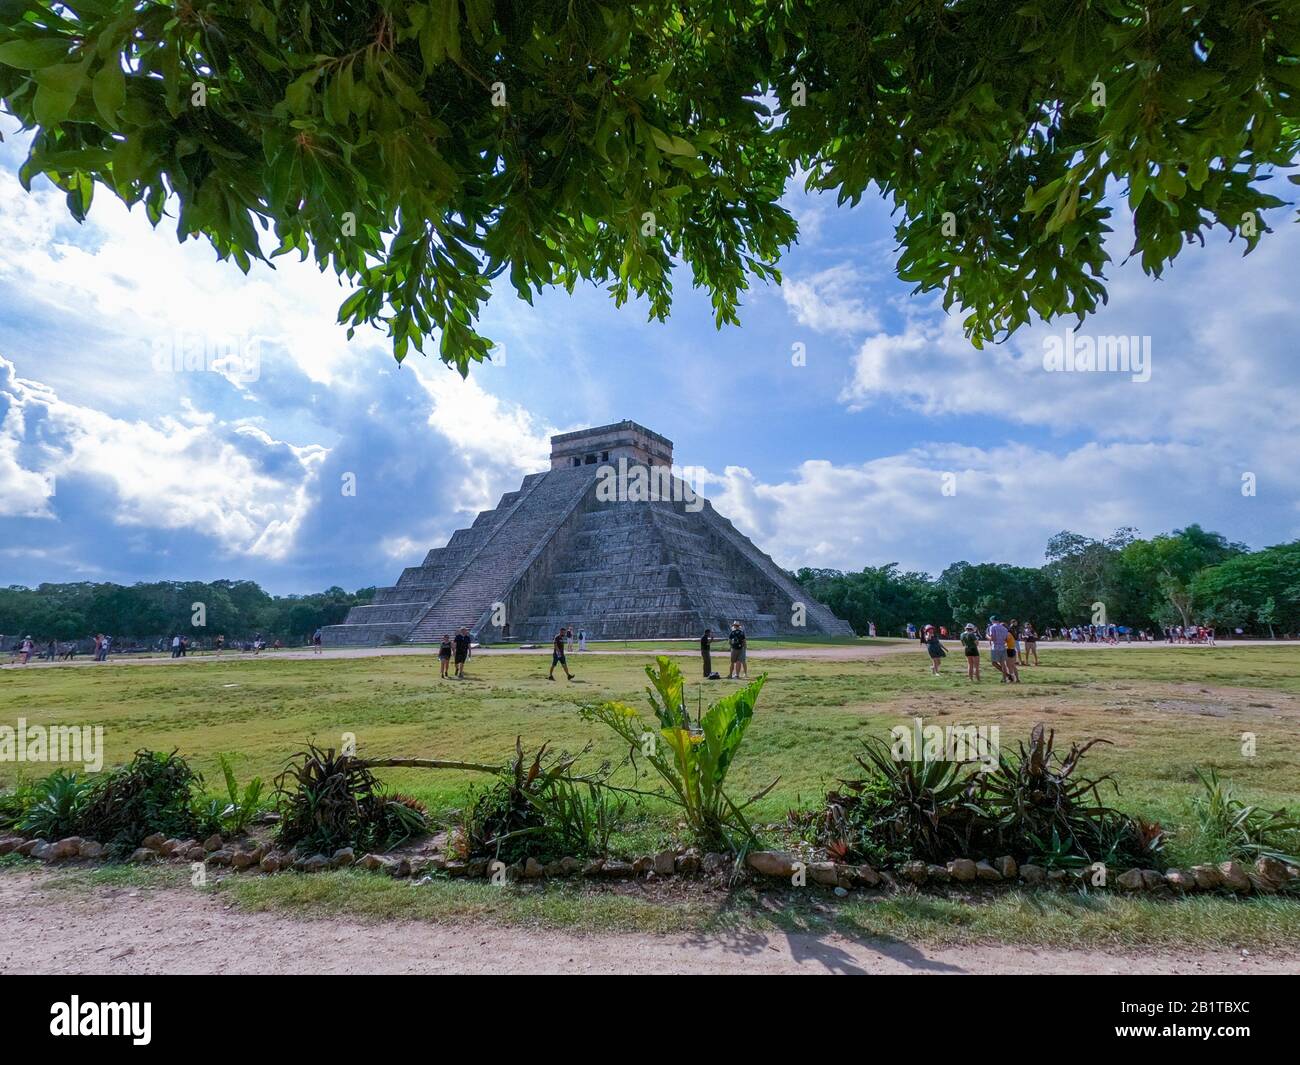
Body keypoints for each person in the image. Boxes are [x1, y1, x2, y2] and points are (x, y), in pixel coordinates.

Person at [987, 615, 1009, 682]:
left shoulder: (992, 627)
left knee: (994, 663)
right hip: (1003, 646)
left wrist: (987, 636)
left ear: (992, 621)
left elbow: (993, 638)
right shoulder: (1004, 628)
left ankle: (1007, 675)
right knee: (1003, 663)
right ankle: (1005, 678)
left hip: (996, 647)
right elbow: (1006, 639)